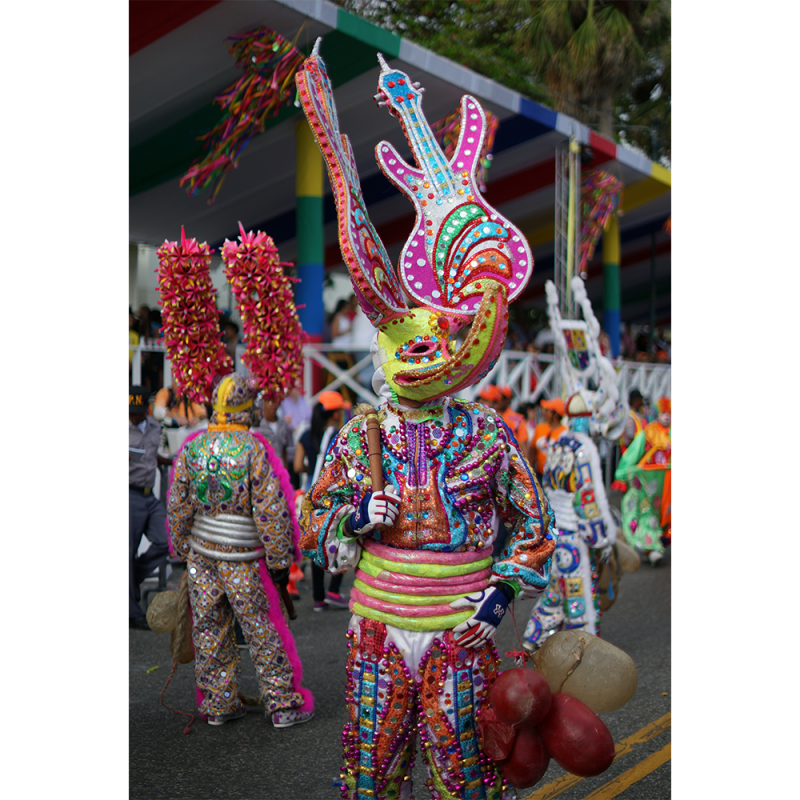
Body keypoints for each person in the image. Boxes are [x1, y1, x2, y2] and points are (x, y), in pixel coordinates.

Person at [167, 374, 314, 727]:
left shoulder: (193, 447)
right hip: (243, 559)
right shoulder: (253, 448)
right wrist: (280, 560)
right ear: (248, 408)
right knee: (260, 627)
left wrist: (184, 547)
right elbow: (270, 510)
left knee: (209, 627)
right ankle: (282, 704)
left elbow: (178, 505)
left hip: (201, 555)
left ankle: (219, 703)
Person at [523, 392, 616, 649]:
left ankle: (534, 637)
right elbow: (587, 499)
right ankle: (583, 647)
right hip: (576, 535)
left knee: (556, 589)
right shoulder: (584, 449)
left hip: (557, 530)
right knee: (579, 593)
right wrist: (601, 539)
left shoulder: (559, 443)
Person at [293, 390, 352, 612]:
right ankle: (333, 591)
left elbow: (297, 465)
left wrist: (312, 470)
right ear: (335, 414)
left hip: (311, 494)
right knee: (342, 537)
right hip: (332, 494)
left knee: (316, 540)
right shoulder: (339, 436)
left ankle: (318, 598)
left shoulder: (306, 435)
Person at [128, 385, 171, 629]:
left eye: (137, 412)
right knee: (129, 551)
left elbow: (152, 454)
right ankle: (132, 612)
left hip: (149, 494)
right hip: (130, 492)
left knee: (168, 540)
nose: (133, 417)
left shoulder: (155, 426)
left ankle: (134, 576)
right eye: (130, 412)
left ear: (147, 409)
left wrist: (172, 461)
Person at [614, 397, 672, 566]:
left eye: (669, 413)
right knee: (648, 514)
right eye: (663, 413)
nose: (666, 416)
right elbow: (633, 453)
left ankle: (656, 543)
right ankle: (651, 547)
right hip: (649, 483)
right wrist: (622, 474)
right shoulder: (649, 432)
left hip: (668, 484)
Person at [532, 398, 567, 478]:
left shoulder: (565, 432)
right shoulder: (539, 428)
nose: (543, 412)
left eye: (547, 410)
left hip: (557, 476)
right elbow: (532, 451)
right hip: (539, 474)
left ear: (555, 414)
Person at [496, 386, 529, 457]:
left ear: (509, 400)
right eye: (497, 396)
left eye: (502, 398)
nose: (499, 400)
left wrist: (526, 461)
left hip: (512, 458)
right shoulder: (489, 415)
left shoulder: (518, 419)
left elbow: (523, 443)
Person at [619, 389, 646, 455]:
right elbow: (630, 437)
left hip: (635, 451)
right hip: (630, 453)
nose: (642, 402)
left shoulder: (635, 414)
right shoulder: (630, 416)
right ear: (635, 400)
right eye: (640, 400)